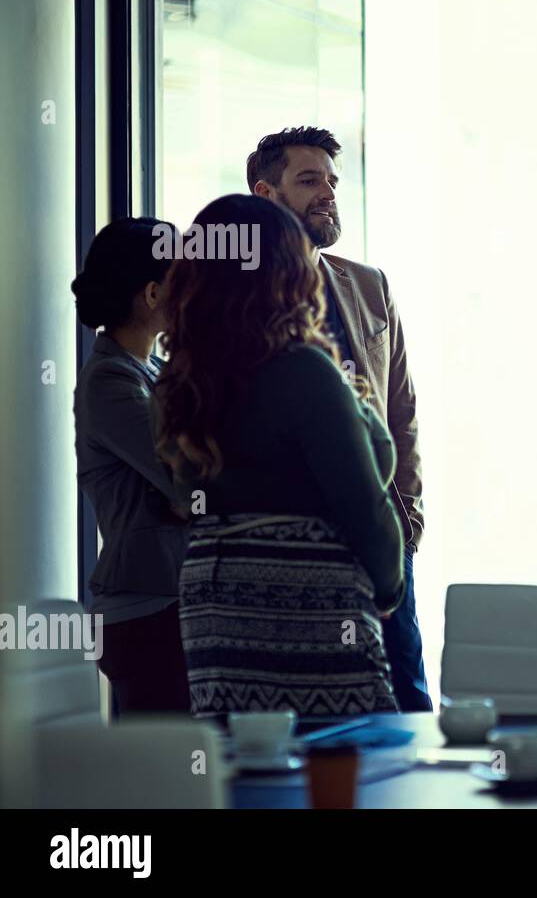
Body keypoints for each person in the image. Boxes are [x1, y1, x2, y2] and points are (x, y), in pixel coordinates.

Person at [154, 194, 406, 716]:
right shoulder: (304, 371)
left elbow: (187, 495)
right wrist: (388, 586)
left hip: (215, 604)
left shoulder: (180, 381)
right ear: (286, 274)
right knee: (349, 773)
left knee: (245, 775)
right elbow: (364, 503)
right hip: (312, 600)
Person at [246, 126, 430, 712]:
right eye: (308, 180)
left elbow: (402, 409)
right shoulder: (239, 297)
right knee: (311, 701)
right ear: (266, 194)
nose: (327, 192)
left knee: (407, 693)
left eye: (331, 180)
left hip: (381, 525)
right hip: (292, 543)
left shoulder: (370, 286)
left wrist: (411, 512)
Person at [72, 218, 190, 714]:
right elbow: (193, 482)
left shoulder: (157, 370)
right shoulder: (109, 381)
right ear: (151, 293)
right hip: (146, 611)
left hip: (172, 602)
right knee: (164, 780)